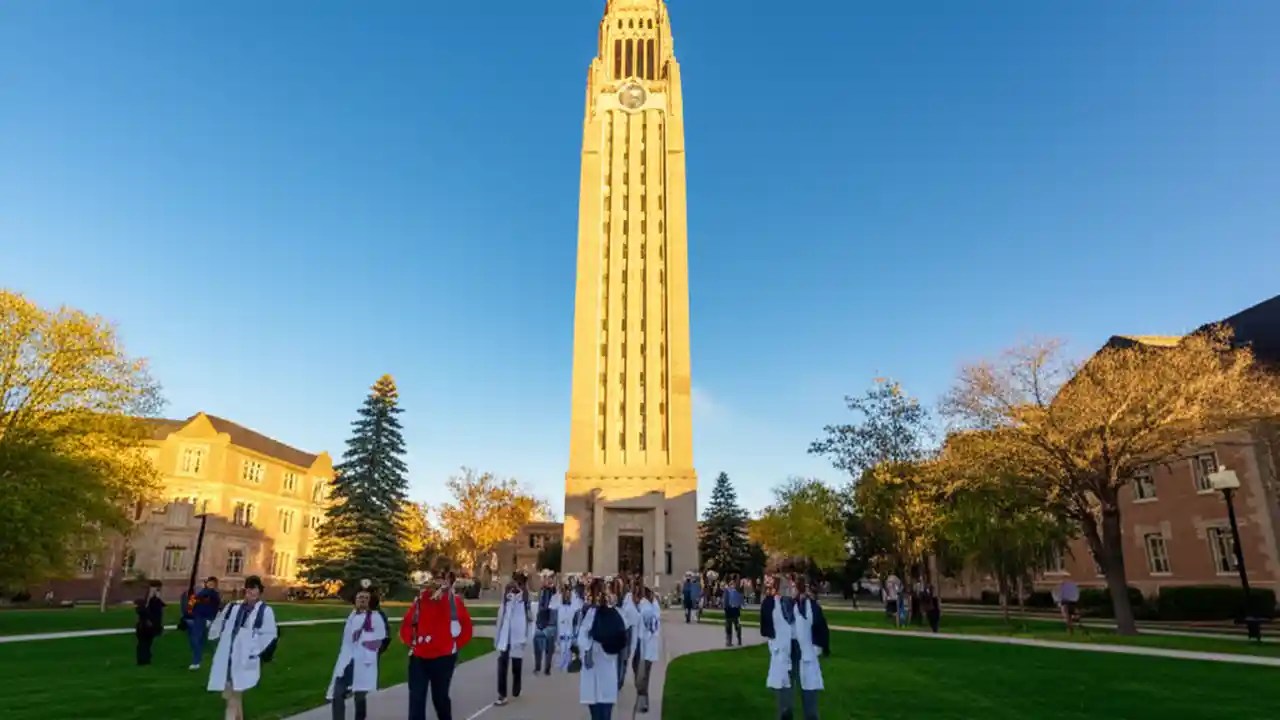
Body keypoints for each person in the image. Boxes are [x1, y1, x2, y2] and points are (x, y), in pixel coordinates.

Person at [403, 574, 474, 720]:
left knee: (440, 698)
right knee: (416, 699)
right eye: (436, 578)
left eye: (442, 578)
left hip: (444, 658)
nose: (437, 582)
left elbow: (466, 629)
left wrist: (452, 646)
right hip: (419, 658)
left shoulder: (453, 602)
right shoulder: (420, 601)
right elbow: (407, 625)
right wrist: (414, 642)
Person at [207, 575, 278, 720]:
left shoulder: (264, 611)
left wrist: (253, 648)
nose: (251, 592)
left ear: (259, 591)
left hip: (243, 659)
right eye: (248, 589)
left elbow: (269, 634)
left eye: (254, 589)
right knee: (233, 697)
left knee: (233, 696)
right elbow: (218, 625)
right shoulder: (233, 607)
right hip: (227, 658)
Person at [761, 575, 829, 720]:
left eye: (792, 587)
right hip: (784, 651)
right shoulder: (771, 604)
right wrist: (774, 642)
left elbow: (821, 628)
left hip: (804, 652)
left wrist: (818, 647)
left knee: (809, 695)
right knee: (785, 700)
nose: (789, 590)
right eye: (785, 587)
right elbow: (765, 627)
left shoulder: (809, 605)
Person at [326, 583, 386, 720]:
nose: (362, 600)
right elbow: (347, 641)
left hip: (363, 661)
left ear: (370, 601)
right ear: (355, 600)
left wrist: (367, 644)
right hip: (347, 661)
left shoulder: (375, 617)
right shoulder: (351, 616)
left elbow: (381, 640)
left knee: (360, 696)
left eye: (366, 598)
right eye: (360, 597)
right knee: (337, 693)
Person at [578, 578, 627, 720]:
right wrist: (587, 650)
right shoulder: (589, 613)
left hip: (603, 663)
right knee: (599, 712)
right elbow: (582, 636)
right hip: (597, 666)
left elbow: (620, 637)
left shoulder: (611, 612)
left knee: (603, 712)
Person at [494, 573, 533, 705]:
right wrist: (497, 638)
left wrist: (527, 638)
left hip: (518, 637)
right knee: (502, 665)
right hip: (506, 637)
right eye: (513, 582)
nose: (514, 585)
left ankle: (517, 688)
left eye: (517, 582)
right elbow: (501, 618)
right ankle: (502, 694)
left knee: (516, 665)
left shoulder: (525, 599)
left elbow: (530, 620)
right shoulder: (507, 598)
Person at [629, 583, 661, 714]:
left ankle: (643, 703)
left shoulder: (646, 608)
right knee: (641, 675)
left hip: (644, 648)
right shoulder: (652, 608)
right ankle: (642, 700)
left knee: (642, 677)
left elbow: (644, 626)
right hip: (645, 648)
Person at [184, 576, 222, 670]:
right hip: (199, 618)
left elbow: (215, 606)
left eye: (212, 584)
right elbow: (193, 602)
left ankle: (200, 661)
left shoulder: (213, 594)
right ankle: (197, 660)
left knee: (204, 640)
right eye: (209, 583)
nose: (210, 585)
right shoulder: (202, 593)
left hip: (206, 619)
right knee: (197, 639)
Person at [552, 581, 583, 671]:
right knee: (562, 646)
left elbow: (579, 605)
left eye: (569, 593)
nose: (567, 595)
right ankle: (562, 663)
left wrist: (573, 592)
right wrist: (559, 592)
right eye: (565, 593)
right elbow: (553, 604)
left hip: (569, 629)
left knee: (568, 646)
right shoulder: (559, 603)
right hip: (561, 629)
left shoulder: (573, 604)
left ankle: (567, 663)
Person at [135, 580, 166, 666]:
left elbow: (159, 610)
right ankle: (142, 660)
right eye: (157, 589)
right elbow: (141, 610)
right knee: (143, 644)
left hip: (152, 626)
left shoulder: (155, 600)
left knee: (148, 644)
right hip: (144, 626)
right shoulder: (146, 600)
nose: (158, 591)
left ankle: (146, 659)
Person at [533, 573, 558, 676]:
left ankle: (547, 668)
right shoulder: (542, 591)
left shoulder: (553, 592)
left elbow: (550, 606)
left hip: (550, 622)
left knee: (549, 648)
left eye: (549, 579)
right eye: (545, 579)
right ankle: (538, 666)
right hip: (540, 622)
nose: (546, 581)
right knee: (537, 646)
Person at [723, 575, 744, 647]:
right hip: (729, 612)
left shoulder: (737, 592)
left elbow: (740, 603)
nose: (732, 585)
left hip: (735, 612)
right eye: (731, 584)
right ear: (729, 585)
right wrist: (726, 609)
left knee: (737, 626)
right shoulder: (727, 592)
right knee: (728, 627)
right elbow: (725, 602)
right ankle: (729, 641)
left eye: (733, 584)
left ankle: (739, 640)